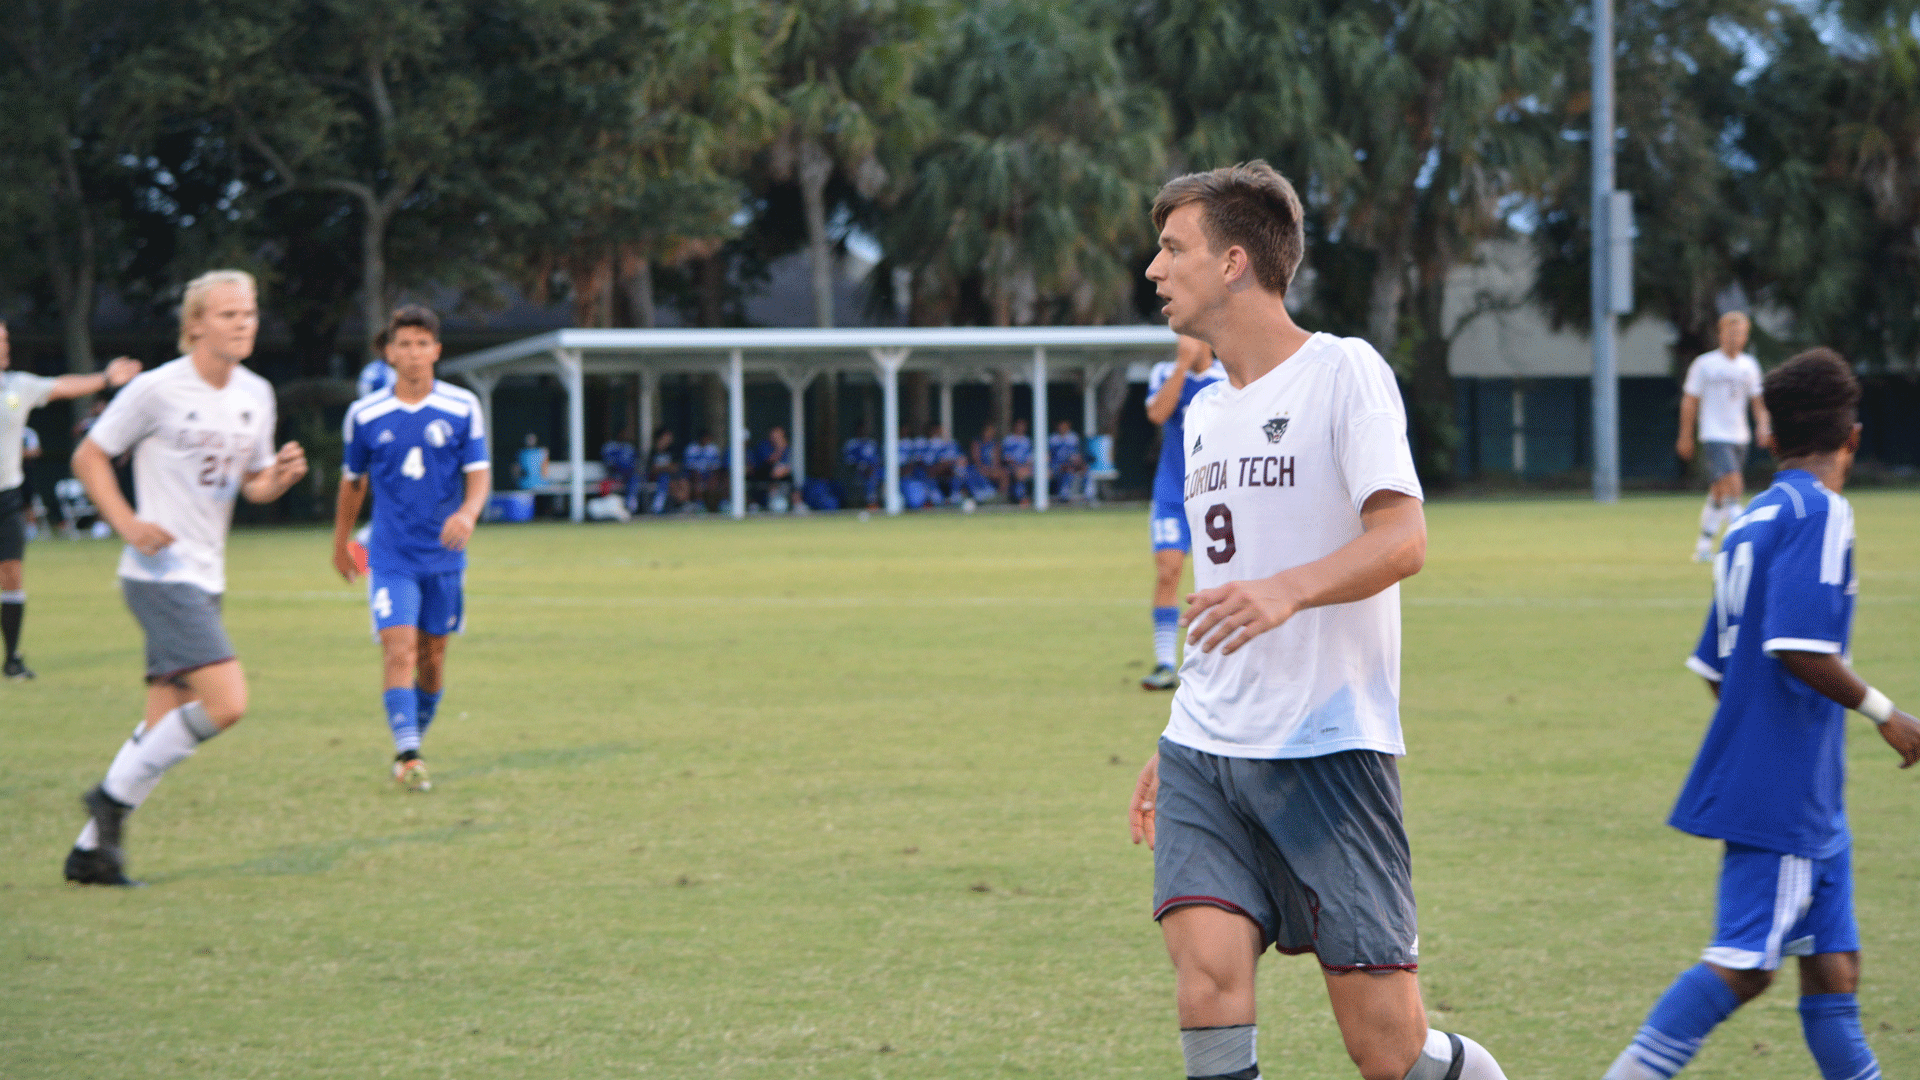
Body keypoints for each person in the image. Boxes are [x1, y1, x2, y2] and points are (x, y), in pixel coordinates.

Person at [1126, 162, 1507, 1080]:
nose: (1153, 268)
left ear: (1233, 263)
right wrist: (1179, 725)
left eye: (1172, 247)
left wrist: (1289, 589)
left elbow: (1403, 536)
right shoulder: (1206, 416)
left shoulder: (1345, 371)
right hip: (1206, 754)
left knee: (1387, 1050)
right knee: (1207, 985)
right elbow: (1225, 593)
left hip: (1329, 750)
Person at [1599, 348, 1919, 1080]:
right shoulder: (1823, 511)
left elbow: (1718, 666)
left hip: (1806, 788)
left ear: (1768, 438)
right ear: (1854, 438)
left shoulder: (1748, 522)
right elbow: (1798, 647)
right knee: (1745, 967)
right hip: (1789, 788)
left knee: (1834, 973)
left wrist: (1763, 728)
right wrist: (1887, 714)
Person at [62, 269, 308, 886]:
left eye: (248, 313)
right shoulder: (157, 389)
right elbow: (89, 455)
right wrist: (128, 523)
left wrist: (275, 479)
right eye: (227, 314)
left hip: (207, 576)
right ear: (195, 324)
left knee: (160, 725)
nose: (242, 323)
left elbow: (250, 484)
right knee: (227, 702)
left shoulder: (257, 393)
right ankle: (109, 802)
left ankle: (90, 854)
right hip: (157, 574)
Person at [332, 304, 489, 793]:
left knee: (432, 659)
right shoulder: (364, 414)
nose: (414, 352)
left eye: (423, 343)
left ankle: (413, 734)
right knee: (397, 649)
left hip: (444, 556)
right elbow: (352, 484)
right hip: (391, 554)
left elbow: (479, 474)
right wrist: (341, 542)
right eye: (404, 344)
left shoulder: (463, 407)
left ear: (437, 351)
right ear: (389, 353)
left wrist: (467, 513)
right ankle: (408, 753)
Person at [0, 316, 142, 680]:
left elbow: (62, 385)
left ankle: (12, 658)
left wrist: (106, 378)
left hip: (8, 500)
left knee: (12, 575)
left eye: (6, 339)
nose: (5, 346)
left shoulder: (17, 386)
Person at [1141, 334, 1228, 690]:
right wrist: (1181, 367)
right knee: (1168, 570)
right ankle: (1165, 663)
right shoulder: (1164, 372)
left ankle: (1220, 666)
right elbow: (1158, 413)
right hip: (1171, 494)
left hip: (1214, 496)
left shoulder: (1227, 379)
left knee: (1221, 581)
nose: (1184, 340)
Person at [1677, 312, 1770, 562]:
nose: (1735, 337)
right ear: (1721, 334)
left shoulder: (1749, 365)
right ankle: (1740, 545)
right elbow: (1690, 400)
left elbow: (1757, 402)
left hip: (1740, 436)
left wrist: (1763, 425)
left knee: (1719, 492)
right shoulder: (1705, 364)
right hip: (1714, 434)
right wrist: (1686, 434)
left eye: (1740, 333)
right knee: (1734, 486)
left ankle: (1703, 547)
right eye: (1731, 332)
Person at [1048, 419, 1087, 503]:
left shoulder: (1074, 437)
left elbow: (1078, 454)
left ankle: (1089, 495)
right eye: (1061, 426)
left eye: (1065, 426)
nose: (1062, 428)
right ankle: (1064, 495)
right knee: (1067, 471)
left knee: (1085, 470)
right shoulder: (1053, 438)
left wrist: (1079, 463)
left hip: (1071, 465)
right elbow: (1048, 455)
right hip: (1056, 466)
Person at [646, 429, 684, 514]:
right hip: (657, 480)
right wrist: (666, 467)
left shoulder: (673, 451)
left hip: (673, 478)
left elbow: (675, 468)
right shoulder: (653, 452)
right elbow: (652, 470)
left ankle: (680, 505)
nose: (669, 439)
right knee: (664, 478)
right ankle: (658, 507)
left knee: (681, 482)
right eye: (666, 437)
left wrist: (661, 468)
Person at [685, 431, 724, 511]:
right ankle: (699, 505)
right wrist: (699, 478)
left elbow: (716, 468)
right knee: (697, 483)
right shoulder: (692, 448)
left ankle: (719, 506)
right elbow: (691, 468)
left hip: (709, 475)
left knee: (717, 482)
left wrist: (711, 478)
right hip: (694, 476)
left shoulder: (713, 448)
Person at [843, 426, 880, 508]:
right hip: (857, 471)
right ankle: (868, 504)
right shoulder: (851, 443)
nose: (863, 431)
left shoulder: (872, 443)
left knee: (876, 476)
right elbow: (849, 462)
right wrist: (863, 467)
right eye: (861, 429)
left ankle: (872, 504)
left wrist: (870, 468)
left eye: (865, 429)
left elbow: (877, 460)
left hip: (872, 471)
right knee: (866, 479)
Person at [1000, 418, 1034, 505]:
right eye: (1019, 425)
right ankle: (1021, 498)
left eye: (1022, 426)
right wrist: (1018, 466)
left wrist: (1026, 466)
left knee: (1044, 473)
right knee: (1019, 473)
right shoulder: (1008, 440)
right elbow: (1006, 458)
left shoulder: (1027, 440)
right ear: (1014, 427)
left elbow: (1030, 458)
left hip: (1026, 467)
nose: (1020, 428)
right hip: (1012, 467)